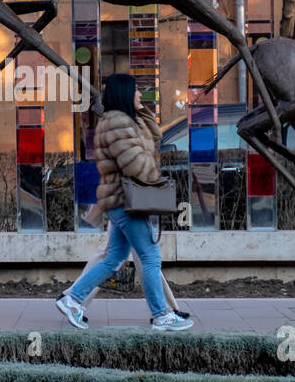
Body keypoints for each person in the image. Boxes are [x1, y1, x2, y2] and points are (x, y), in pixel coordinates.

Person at [55, 73, 194, 332]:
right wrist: (156, 180)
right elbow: (133, 163)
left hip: (120, 200)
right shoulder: (117, 123)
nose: (141, 94)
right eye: (136, 91)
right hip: (126, 200)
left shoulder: (123, 120)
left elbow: (155, 138)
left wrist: (142, 111)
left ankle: (72, 299)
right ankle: (161, 315)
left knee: (114, 258)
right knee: (151, 258)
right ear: (124, 94)